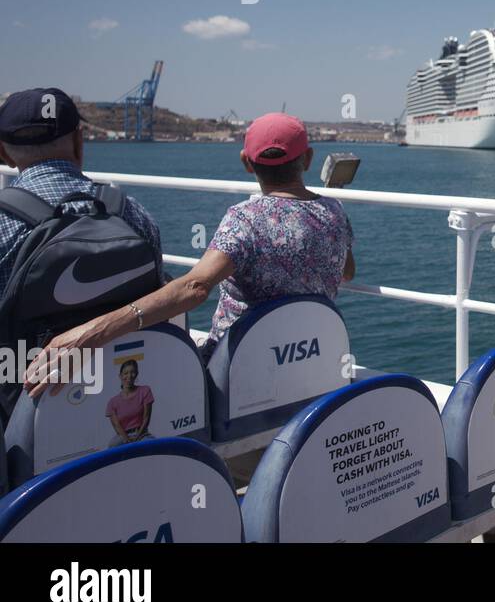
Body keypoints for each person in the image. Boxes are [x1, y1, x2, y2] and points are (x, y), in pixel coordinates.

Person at [26, 112, 356, 396]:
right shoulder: (335, 211)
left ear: (245, 162)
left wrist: (93, 332)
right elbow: (346, 272)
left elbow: (195, 287)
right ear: (309, 159)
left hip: (241, 374)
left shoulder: (246, 219)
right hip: (312, 362)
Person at [0, 88, 162, 303]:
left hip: (22, 339)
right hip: (121, 337)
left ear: (3, 154)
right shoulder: (132, 213)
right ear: (79, 142)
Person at [106, 358, 153, 446]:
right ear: (120, 376)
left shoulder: (145, 391)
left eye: (133, 372)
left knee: (151, 444)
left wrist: (137, 437)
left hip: (142, 434)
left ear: (136, 374)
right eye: (125, 373)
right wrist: (127, 439)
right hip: (122, 437)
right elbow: (117, 426)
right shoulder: (112, 402)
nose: (129, 376)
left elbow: (146, 418)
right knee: (112, 445)